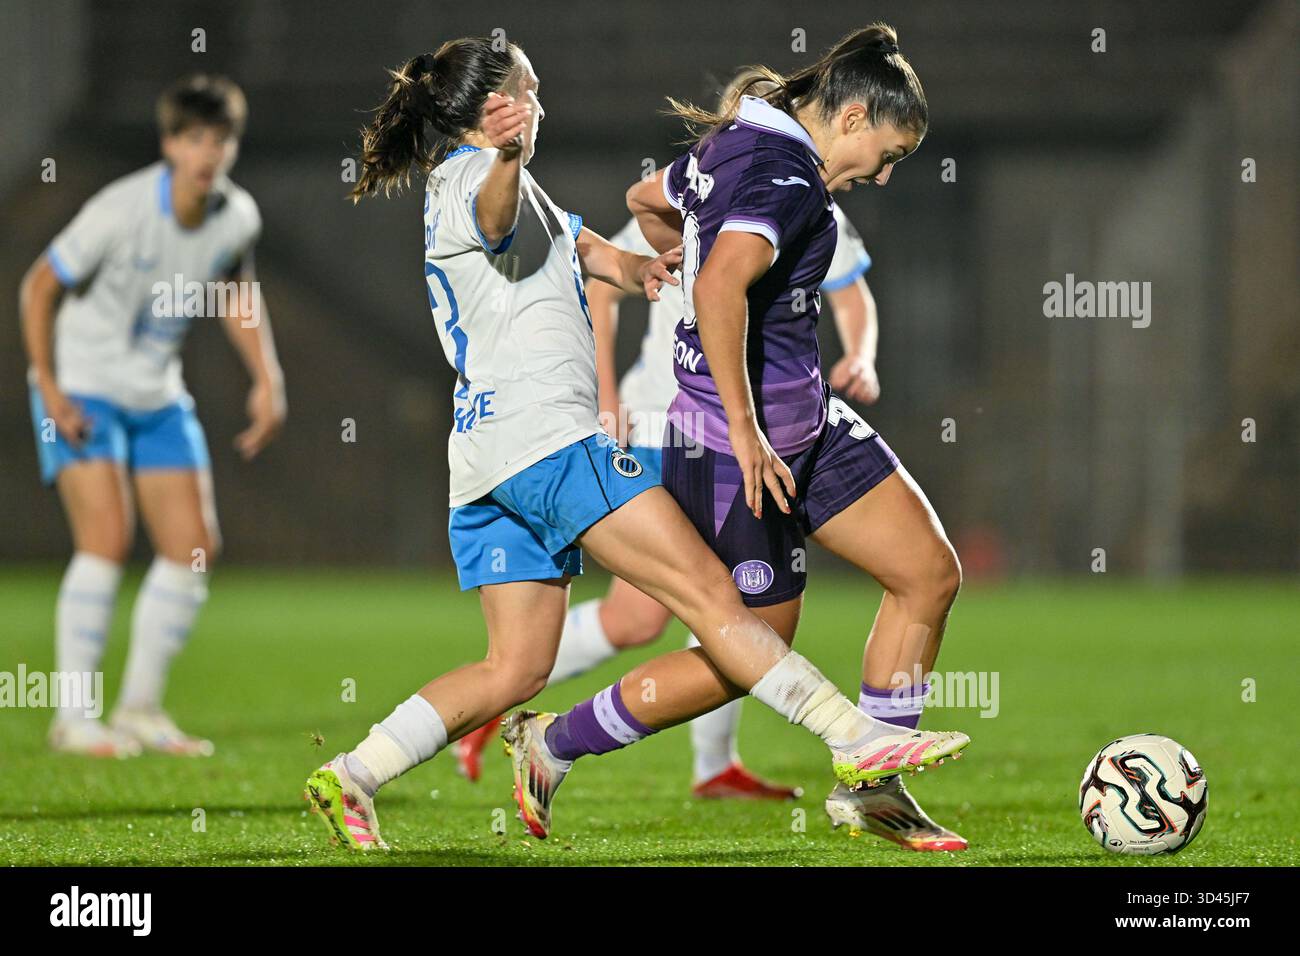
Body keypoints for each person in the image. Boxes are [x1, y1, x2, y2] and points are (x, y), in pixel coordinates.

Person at [304, 35, 968, 851]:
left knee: (516, 669)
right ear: (495, 112)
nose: (541, 108)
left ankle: (355, 771)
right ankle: (855, 738)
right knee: (713, 604)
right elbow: (495, 218)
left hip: (489, 459)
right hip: (551, 447)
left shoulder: (501, 184)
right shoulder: (481, 178)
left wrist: (641, 267)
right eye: (530, 94)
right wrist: (508, 157)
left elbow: (580, 245)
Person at [507, 23, 970, 851]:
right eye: (889, 153)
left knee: (928, 574)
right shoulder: (782, 174)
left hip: (810, 426)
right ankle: (555, 741)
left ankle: (876, 788)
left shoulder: (739, 140)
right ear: (853, 117)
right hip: (731, 451)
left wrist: (685, 263)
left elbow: (647, 201)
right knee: (747, 655)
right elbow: (721, 288)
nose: (885, 175)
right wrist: (746, 425)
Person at [453, 76, 884, 803]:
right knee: (654, 614)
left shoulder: (806, 197)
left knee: (726, 606)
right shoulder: (707, 187)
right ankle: (504, 705)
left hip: (739, 429)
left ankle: (703, 762)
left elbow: (852, 293)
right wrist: (609, 397)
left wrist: (862, 355)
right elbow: (601, 278)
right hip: (670, 423)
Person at [20, 74, 285, 758]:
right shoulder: (120, 209)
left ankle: (139, 708)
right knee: (106, 540)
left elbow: (236, 291)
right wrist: (49, 386)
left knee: (193, 546)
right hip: (83, 385)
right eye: (194, 138)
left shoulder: (237, 215)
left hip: (157, 392)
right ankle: (72, 718)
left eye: (220, 140)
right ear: (169, 144)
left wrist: (267, 377)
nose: (208, 153)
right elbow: (38, 286)